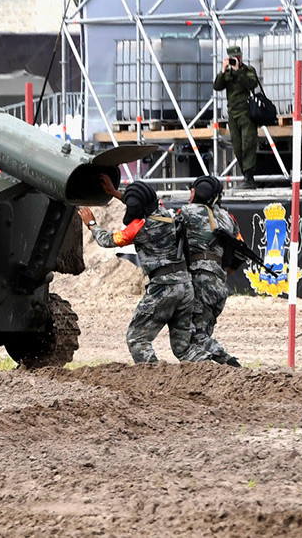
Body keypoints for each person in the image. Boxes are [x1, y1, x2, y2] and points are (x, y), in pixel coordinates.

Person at [78, 177, 207, 364]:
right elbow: (143, 203)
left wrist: (92, 224)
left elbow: (109, 240)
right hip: (185, 286)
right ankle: (213, 372)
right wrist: (115, 193)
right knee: (184, 348)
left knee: (137, 338)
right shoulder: (164, 211)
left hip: (164, 288)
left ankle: (155, 379)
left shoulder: (141, 229)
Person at [175, 175, 241, 367]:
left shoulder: (187, 212)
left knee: (195, 336)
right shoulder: (228, 218)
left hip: (199, 280)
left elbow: (165, 230)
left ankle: (227, 362)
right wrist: (223, 271)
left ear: (197, 192)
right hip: (218, 281)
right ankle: (209, 374)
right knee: (203, 334)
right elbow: (241, 251)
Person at [212, 44, 260, 189]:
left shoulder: (248, 70)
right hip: (233, 113)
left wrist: (238, 70)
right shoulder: (227, 73)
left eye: (238, 57)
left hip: (246, 112)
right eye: (234, 58)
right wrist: (223, 69)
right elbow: (217, 86)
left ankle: (249, 177)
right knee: (237, 146)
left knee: (248, 144)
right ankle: (246, 176)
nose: (237, 59)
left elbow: (251, 84)